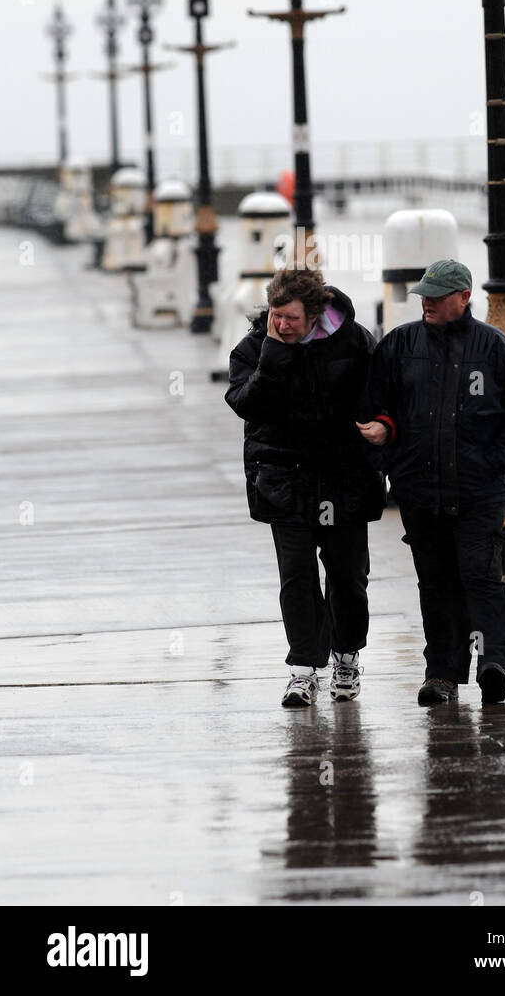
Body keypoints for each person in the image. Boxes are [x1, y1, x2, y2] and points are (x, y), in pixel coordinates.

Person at [358, 259, 505, 706]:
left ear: (463, 298)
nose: (426, 303)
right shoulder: (399, 345)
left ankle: (496, 662)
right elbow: (373, 405)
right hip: (419, 492)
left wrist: (494, 462)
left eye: (436, 298)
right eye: (423, 296)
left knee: (481, 577)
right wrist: (389, 452)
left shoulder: (496, 348)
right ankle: (442, 672)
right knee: (435, 582)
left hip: (478, 492)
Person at [225, 267, 385, 709]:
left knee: (348, 577)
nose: (281, 324)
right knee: (296, 577)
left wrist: (383, 429)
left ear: (314, 313)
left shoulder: (354, 342)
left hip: (344, 479)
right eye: (276, 315)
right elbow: (245, 404)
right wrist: (275, 354)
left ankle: (347, 657)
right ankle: (302, 670)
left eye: (291, 317)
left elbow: (383, 395)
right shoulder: (255, 348)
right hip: (283, 481)